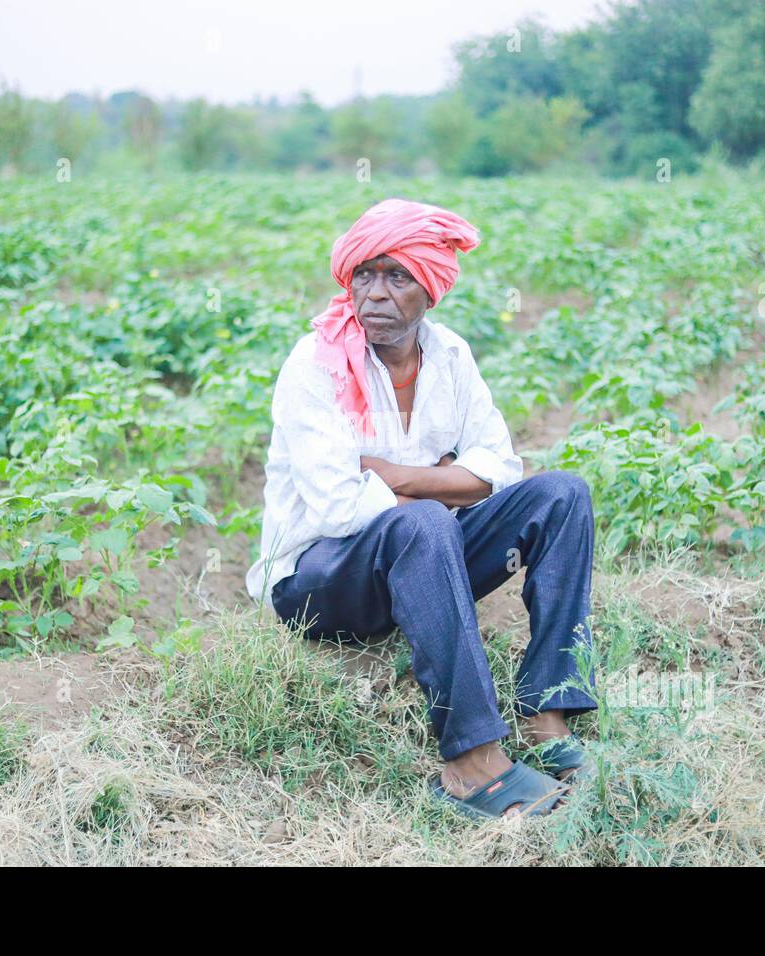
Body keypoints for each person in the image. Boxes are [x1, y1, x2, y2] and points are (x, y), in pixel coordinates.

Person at [246, 198, 598, 819]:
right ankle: (470, 764)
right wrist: (442, 483)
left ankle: (547, 710)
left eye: (397, 276)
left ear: (430, 292)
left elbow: (500, 467)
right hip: (318, 585)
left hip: (422, 562)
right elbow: (334, 510)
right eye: (365, 274)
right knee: (423, 521)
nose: (376, 293)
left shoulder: (450, 357)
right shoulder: (315, 365)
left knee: (563, 494)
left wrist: (396, 475)